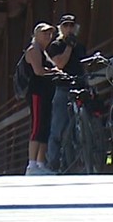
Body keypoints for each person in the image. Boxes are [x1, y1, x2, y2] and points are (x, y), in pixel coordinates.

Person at [46, 14, 88, 172]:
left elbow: (84, 67)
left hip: (80, 86)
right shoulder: (56, 45)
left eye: (71, 25)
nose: (69, 28)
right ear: (60, 28)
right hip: (62, 88)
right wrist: (69, 47)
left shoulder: (80, 46)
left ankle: (80, 163)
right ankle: (53, 164)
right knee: (58, 127)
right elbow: (59, 64)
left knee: (81, 127)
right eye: (66, 25)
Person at [24, 22, 58, 175]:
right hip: (37, 92)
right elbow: (38, 71)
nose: (48, 35)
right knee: (37, 126)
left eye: (50, 33)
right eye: (44, 32)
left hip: (46, 93)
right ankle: (31, 166)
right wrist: (55, 72)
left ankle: (40, 164)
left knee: (45, 127)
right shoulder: (33, 50)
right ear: (35, 34)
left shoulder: (43, 51)